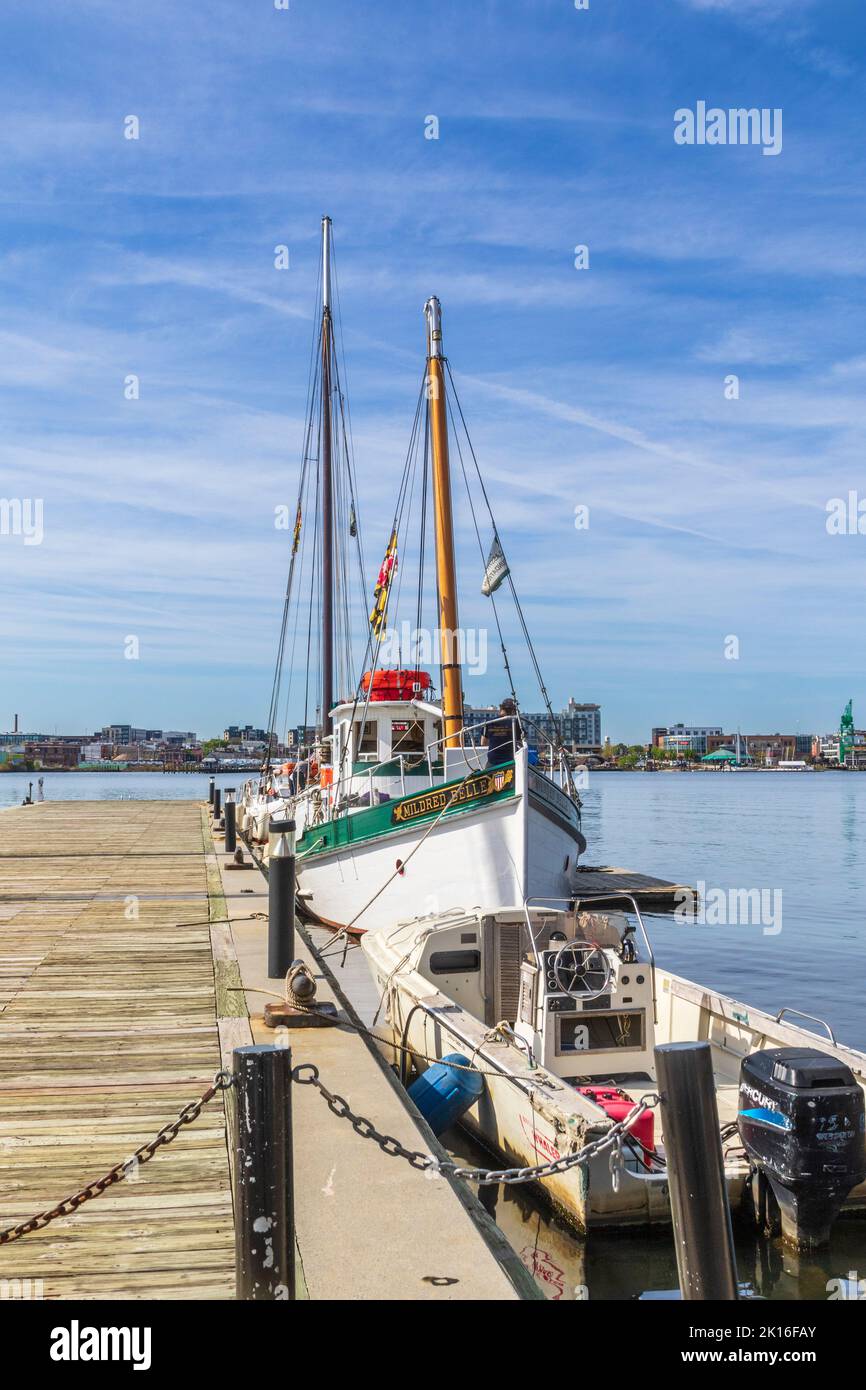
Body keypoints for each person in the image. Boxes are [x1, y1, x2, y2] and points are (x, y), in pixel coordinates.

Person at [481, 698, 520, 767]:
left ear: (501, 708)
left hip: (492, 762)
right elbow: (520, 742)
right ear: (513, 711)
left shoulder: (489, 722)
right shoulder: (515, 723)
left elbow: (483, 743)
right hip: (510, 762)